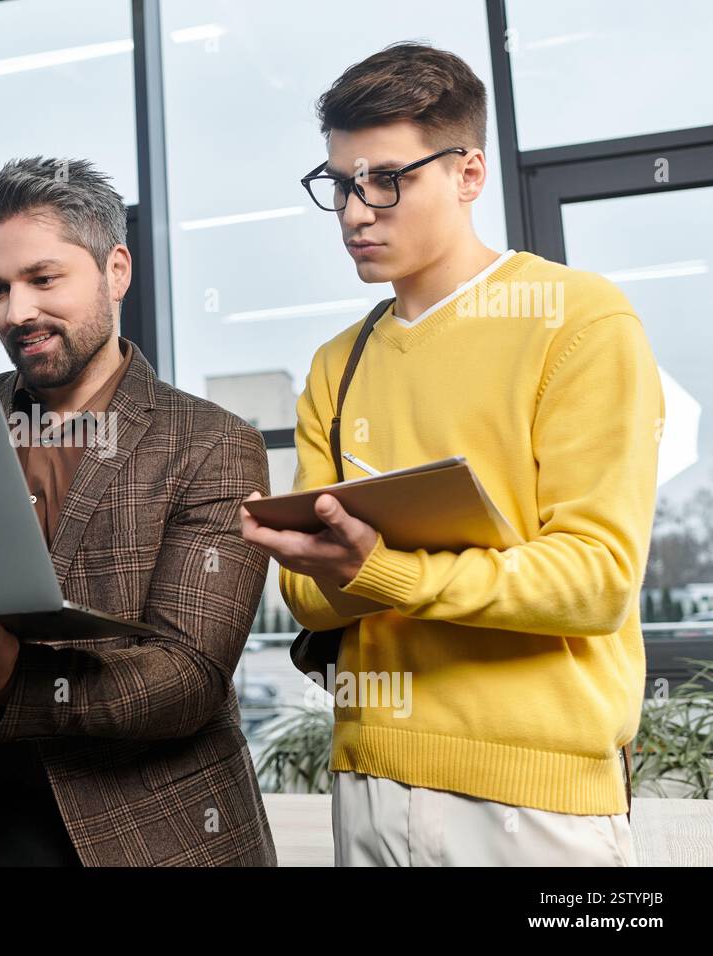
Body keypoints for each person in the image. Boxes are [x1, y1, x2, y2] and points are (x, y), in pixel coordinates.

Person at [240, 43, 663, 866]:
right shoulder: (338, 362)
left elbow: (597, 579)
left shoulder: (580, 322)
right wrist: (340, 569)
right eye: (340, 184)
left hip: (538, 805)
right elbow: (306, 595)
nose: (359, 211)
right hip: (368, 783)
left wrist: (385, 570)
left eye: (388, 180)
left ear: (468, 174)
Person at [0, 156, 276, 866]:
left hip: (149, 841)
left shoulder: (213, 443)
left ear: (116, 270)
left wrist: (11, 681)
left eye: (43, 279)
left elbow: (189, 677)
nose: (17, 312)